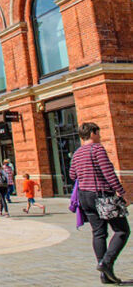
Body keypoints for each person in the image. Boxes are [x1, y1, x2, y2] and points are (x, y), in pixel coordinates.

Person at [69, 122, 130, 285]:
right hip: (102, 195)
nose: (100, 136)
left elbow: (72, 175)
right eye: (98, 132)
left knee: (98, 233)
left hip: (85, 197)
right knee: (122, 230)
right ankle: (106, 263)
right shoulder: (97, 149)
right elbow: (108, 172)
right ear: (93, 133)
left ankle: (104, 276)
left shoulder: (77, 153)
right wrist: (122, 192)